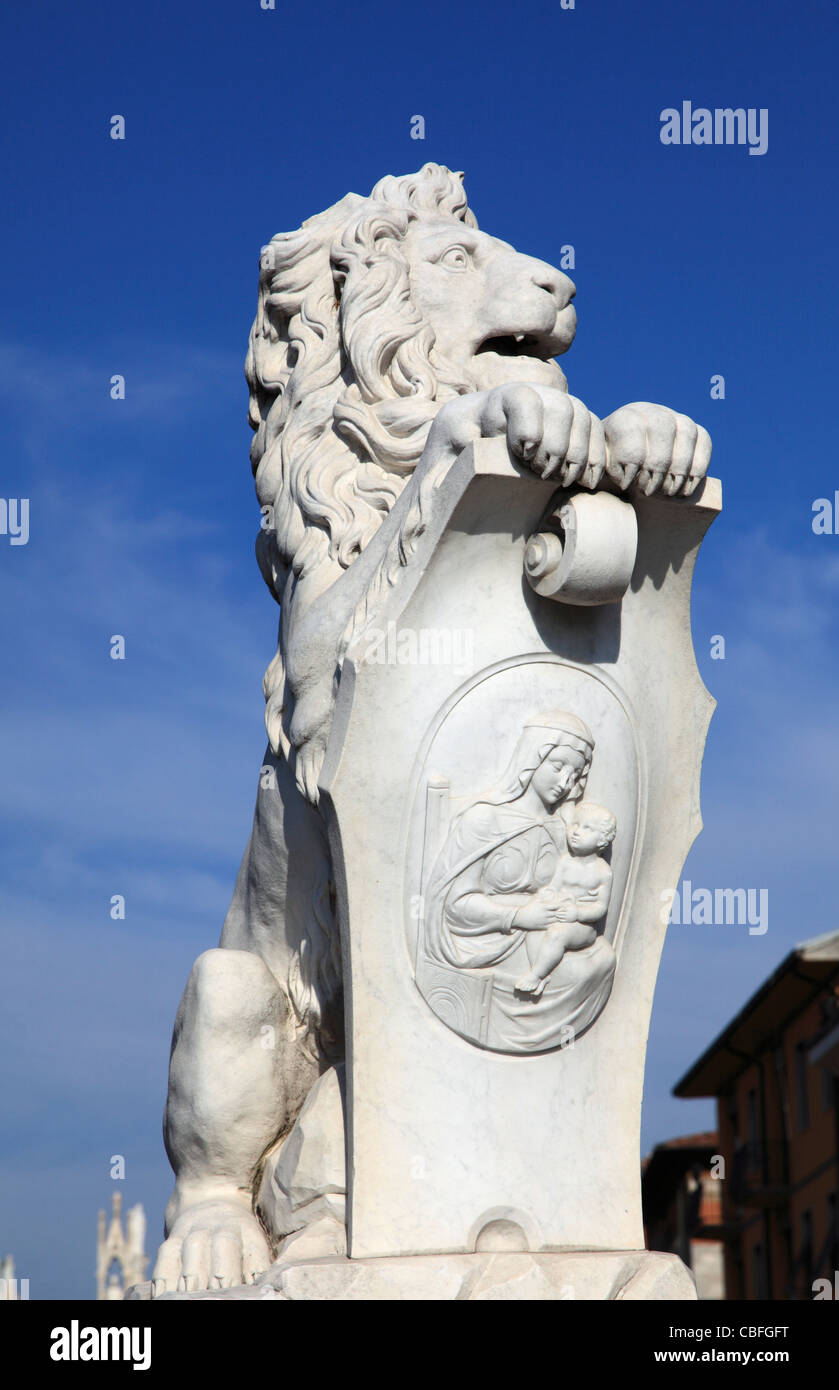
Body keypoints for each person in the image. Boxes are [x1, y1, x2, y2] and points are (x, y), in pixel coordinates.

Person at [514, 801, 616, 998]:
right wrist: (549, 894)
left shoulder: (602, 871)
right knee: (533, 930)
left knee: (557, 934)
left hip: (583, 927)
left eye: (587, 828)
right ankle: (541, 974)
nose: (576, 832)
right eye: (575, 824)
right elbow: (554, 886)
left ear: (602, 839)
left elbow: (600, 907)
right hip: (560, 913)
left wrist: (577, 913)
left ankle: (535, 976)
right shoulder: (565, 862)